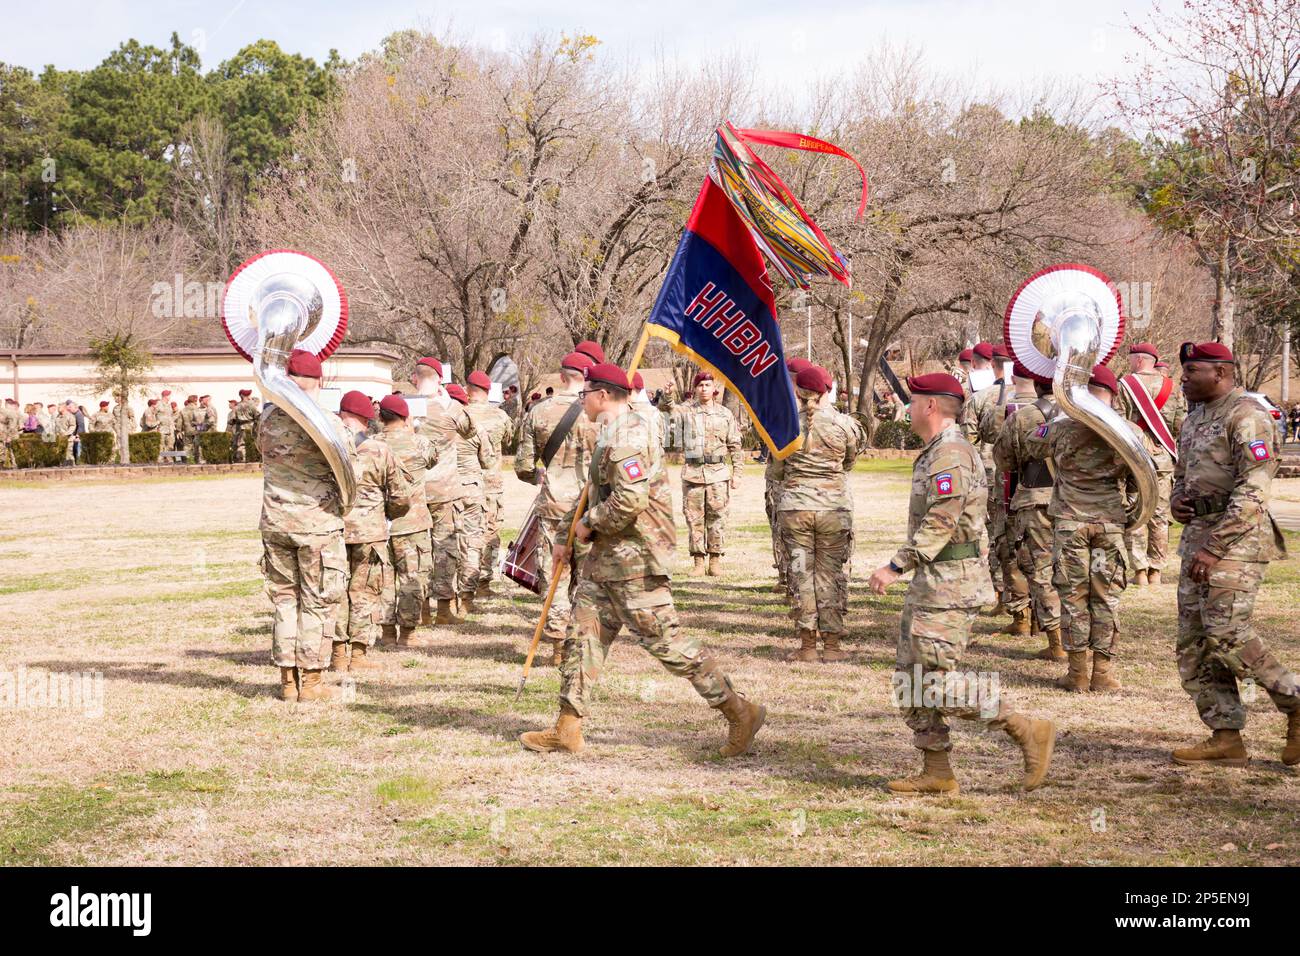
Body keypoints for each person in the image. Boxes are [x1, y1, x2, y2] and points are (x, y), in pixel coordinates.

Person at [518, 362, 766, 757]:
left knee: (667, 643)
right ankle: (567, 726)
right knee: (583, 639)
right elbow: (592, 491)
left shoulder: (628, 437)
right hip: (606, 561)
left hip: (636, 561)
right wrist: (569, 534)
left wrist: (588, 524)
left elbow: (628, 501)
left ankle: (740, 712)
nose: (582, 399)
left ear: (602, 395)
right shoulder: (610, 434)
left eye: (586, 393)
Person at [869, 372, 1055, 795]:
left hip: (951, 584)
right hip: (934, 582)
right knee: (911, 679)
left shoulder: (950, 453)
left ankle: (1024, 727)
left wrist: (895, 566)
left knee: (932, 681)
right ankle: (937, 771)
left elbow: (942, 521)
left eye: (914, 401)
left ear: (930, 406)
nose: (909, 408)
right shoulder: (938, 450)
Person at [1169, 341, 1297, 768]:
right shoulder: (1193, 419)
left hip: (1236, 543)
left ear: (1221, 373)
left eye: (1192, 371)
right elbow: (1181, 474)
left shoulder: (1248, 415)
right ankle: (1225, 736)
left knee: (1227, 634)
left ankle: (1294, 703)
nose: (1183, 378)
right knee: (1196, 642)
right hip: (1196, 539)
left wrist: (1214, 547)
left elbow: (1254, 491)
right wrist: (1176, 502)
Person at [1026, 365, 1152, 694]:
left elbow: (1030, 444)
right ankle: (1103, 673)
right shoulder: (1129, 432)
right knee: (1106, 598)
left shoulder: (1062, 426)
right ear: (1114, 394)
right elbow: (1146, 477)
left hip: (1070, 525)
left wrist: (1059, 417)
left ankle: (1077, 673)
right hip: (1109, 524)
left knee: (1073, 597)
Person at [257, 349, 356, 703]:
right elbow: (350, 474)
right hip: (317, 525)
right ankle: (311, 683)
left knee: (284, 600)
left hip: (275, 521)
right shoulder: (327, 421)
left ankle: (287, 681)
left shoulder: (267, 419)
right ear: (321, 381)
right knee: (317, 601)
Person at [771, 364, 866, 662]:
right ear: (827, 391)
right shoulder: (846, 425)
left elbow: (776, 471)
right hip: (833, 511)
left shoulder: (784, 424)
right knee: (831, 575)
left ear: (797, 393)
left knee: (802, 574)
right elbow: (848, 463)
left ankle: (807, 646)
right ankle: (834, 646)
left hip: (795, 510)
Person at [514, 351, 598, 664]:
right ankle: (582, 639)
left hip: (552, 506)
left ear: (561, 377)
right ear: (585, 379)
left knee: (555, 576)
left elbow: (523, 465)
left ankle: (557, 644)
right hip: (589, 507)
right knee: (586, 577)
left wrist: (540, 475)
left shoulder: (538, 412)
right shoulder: (596, 411)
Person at [336, 390, 412, 671]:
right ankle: (358, 656)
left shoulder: (330, 446)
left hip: (334, 529)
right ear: (368, 419)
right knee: (364, 593)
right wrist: (385, 515)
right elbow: (401, 496)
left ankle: (337, 655)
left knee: (334, 593)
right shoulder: (380, 450)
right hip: (370, 532)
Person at [992, 365, 1064, 660]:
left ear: (1035, 385)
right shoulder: (1082, 414)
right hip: (1077, 501)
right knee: (1074, 572)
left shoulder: (1021, 418)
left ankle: (1057, 642)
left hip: (1035, 500)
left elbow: (1004, 461)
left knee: (1042, 570)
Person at [411, 358, 481, 625]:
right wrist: (449, 403)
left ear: (415, 378)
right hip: (444, 489)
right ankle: (443, 609)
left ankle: (420, 609)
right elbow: (470, 429)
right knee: (445, 549)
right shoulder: (450, 408)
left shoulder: (404, 406)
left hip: (414, 490)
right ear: (440, 379)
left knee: (418, 551)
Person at [372, 393, 437, 648]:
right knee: (413, 578)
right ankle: (408, 634)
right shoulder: (419, 443)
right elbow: (433, 459)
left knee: (384, 581)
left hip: (381, 524)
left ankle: (387, 632)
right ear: (406, 416)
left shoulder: (371, 444)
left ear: (380, 417)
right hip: (413, 522)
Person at [1119, 343, 1186, 586]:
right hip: (1163, 458)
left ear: (1137, 360)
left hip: (1136, 458)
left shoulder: (1125, 385)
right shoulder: (1173, 387)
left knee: (1137, 512)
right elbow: (1180, 425)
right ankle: (1156, 570)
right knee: (1159, 515)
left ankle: (1139, 570)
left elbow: (1119, 422)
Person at [665, 370, 744, 575]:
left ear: (714, 388)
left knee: (717, 517)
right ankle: (699, 562)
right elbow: (667, 410)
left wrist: (738, 473)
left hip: (718, 472)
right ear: (695, 388)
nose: (704, 389)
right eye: (700, 385)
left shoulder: (725, 414)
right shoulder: (686, 411)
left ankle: (715, 560)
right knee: (694, 518)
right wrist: (667, 395)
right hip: (693, 472)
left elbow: (735, 445)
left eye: (707, 385)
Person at [976, 357, 1033, 635]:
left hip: (1010, 492)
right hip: (1050, 496)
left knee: (1010, 549)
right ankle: (1049, 623)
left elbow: (986, 434)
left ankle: (1021, 617)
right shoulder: (1057, 409)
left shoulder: (1005, 409)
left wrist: (1001, 402)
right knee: (1045, 555)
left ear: (1013, 380)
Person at [766, 358, 811, 598]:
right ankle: (785, 576)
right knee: (778, 529)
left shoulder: (810, 409)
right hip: (777, 478)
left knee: (797, 533)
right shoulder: (778, 404)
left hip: (798, 481)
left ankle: (798, 579)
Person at [465, 370, 513, 596]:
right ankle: (484, 582)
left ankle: (464, 579)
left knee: (465, 531)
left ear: (468, 389)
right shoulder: (500, 416)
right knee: (490, 529)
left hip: (465, 482)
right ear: (488, 391)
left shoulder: (459, 414)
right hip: (491, 482)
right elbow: (510, 440)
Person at [230, 389, 259, 463]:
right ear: (245, 396)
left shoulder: (236, 407)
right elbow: (258, 416)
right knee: (254, 443)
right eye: (249, 394)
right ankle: (254, 459)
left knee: (241, 445)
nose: (250, 396)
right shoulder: (252, 405)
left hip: (241, 428)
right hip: (252, 427)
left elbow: (231, 420)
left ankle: (241, 460)